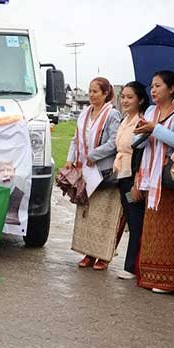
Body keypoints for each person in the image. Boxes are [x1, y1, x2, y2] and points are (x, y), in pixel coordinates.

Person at [133, 70, 174, 293]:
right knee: (154, 231)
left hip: (171, 178)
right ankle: (152, 277)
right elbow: (138, 143)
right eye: (151, 86)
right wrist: (142, 131)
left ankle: (173, 282)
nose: (153, 90)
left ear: (171, 88)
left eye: (158, 85)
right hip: (153, 178)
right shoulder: (151, 111)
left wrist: (154, 128)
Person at [65, 77, 122, 270]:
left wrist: (94, 155)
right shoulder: (84, 113)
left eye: (95, 91)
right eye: (89, 91)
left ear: (106, 93)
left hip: (103, 172)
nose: (91, 95)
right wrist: (70, 159)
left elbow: (114, 141)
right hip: (85, 171)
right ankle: (88, 254)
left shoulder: (112, 114)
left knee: (103, 216)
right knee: (86, 214)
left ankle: (103, 256)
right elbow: (75, 139)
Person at [112, 81, 149, 280]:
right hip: (122, 173)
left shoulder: (141, 122)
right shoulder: (124, 120)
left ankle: (132, 267)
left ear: (140, 100)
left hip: (133, 176)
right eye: (123, 97)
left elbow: (141, 155)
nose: (125, 101)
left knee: (135, 222)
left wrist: (137, 182)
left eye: (130, 97)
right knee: (129, 218)